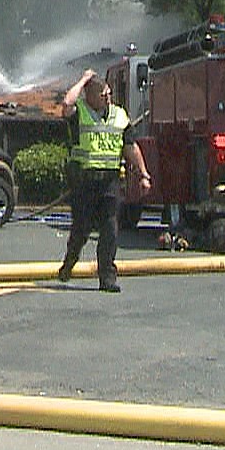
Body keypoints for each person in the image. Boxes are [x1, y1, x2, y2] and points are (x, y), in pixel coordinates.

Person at [56, 70, 150, 290]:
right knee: (81, 230)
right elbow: (66, 104)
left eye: (108, 93)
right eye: (102, 94)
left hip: (110, 182)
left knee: (110, 229)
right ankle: (69, 264)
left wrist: (143, 174)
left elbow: (131, 147)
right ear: (88, 96)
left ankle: (107, 277)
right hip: (84, 182)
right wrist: (83, 80)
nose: (107, 97)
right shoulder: (80, 113)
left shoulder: (119, 115)